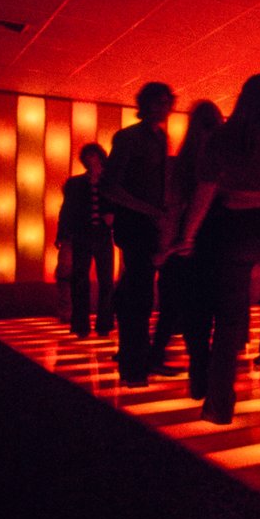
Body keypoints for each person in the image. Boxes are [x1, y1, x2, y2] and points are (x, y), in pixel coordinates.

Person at [169, 75, 260, 424]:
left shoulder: (222, 137)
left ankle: (219, 403)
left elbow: (204, 192)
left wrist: (189, 234)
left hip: (235, 229)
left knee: (229, 321)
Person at [102, 81, 174, 387]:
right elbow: (109, 186)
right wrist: (149, 210)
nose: (163, 108)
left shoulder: (158, 137)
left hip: (146, 222)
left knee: (138, 291)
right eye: (158, 102)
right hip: (136, 224)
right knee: (140, 294)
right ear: (144, 105)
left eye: (166, 102)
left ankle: (135, 360)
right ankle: (134, 367)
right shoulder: (130, 137)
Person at [152, 101, 223, 393]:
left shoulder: (178, 165)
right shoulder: (224, 162)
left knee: (181, 309)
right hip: (214, 242)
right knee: (208, 311)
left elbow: (171, 208)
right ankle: (204, 375)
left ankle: (195, 372)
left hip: (184, 244)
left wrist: (166, 247)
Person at [56, 142, 114, 339]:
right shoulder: (75, 183)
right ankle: (81, 324)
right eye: (87, 156)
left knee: (106, 280)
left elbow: (119, 206)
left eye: (93, 156)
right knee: (80, 280)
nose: (91, 160)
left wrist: (113, 217)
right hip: (82, 235)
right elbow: (66, 210)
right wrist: (62, 234)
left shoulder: (109, 183)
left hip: (103, 235)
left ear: (100, 158)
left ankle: (104, 323)